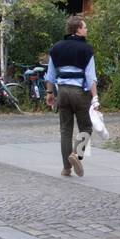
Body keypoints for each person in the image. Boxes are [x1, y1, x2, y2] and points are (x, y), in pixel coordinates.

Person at [45, 15, 98, 177]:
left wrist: (49, 93)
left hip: (62, 92)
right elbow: (90, 77)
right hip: (80, 93)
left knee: (65, 130)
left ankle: (66, 168)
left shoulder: (56, 48)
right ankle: (76, 154)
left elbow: (50, 75)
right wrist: (95, 97)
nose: (87, 30)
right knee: (86, 127)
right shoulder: (86, 49)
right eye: (85, 27)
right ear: (78, 29)